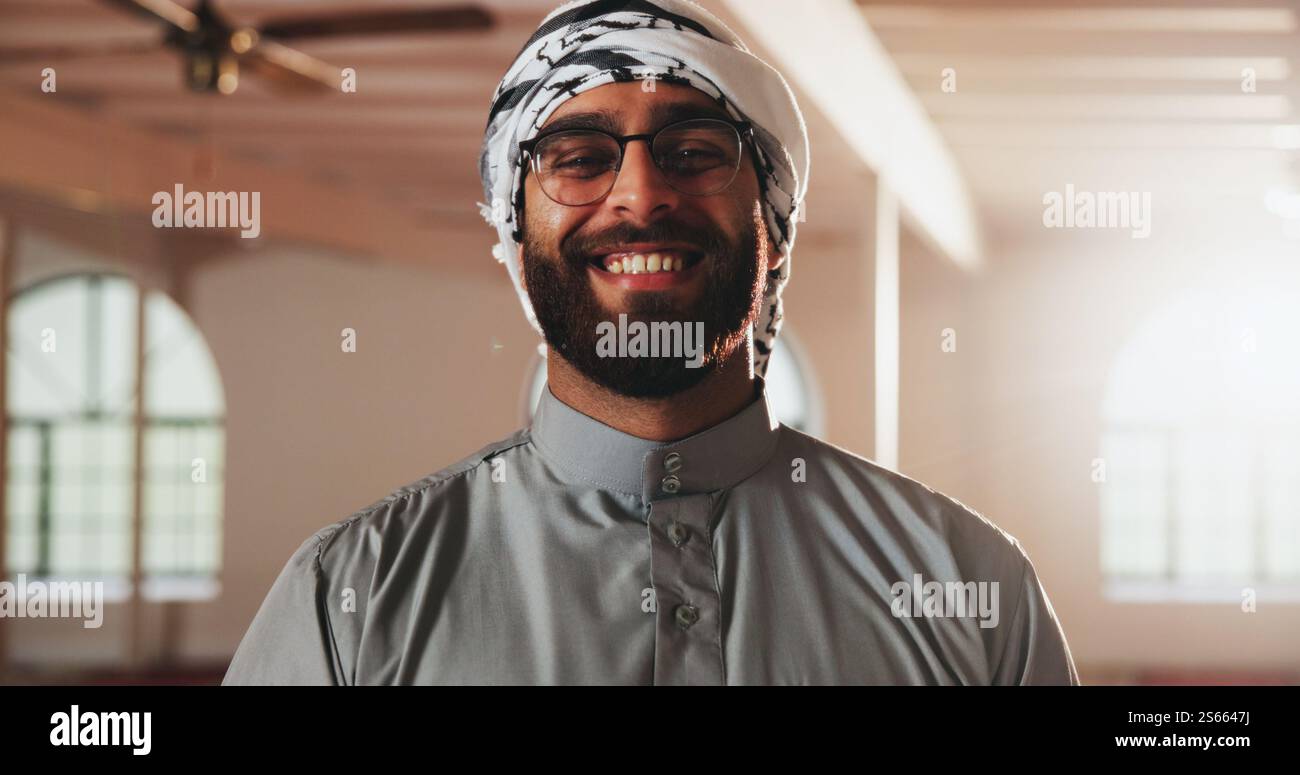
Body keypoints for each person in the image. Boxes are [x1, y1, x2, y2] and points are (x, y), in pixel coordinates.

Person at [224, 0, 1078, 685]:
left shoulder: (971, 584)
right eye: (580, 157)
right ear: (517, 240)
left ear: (772, 228)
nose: (640, 192)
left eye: (695, 150)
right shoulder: (351, 597)